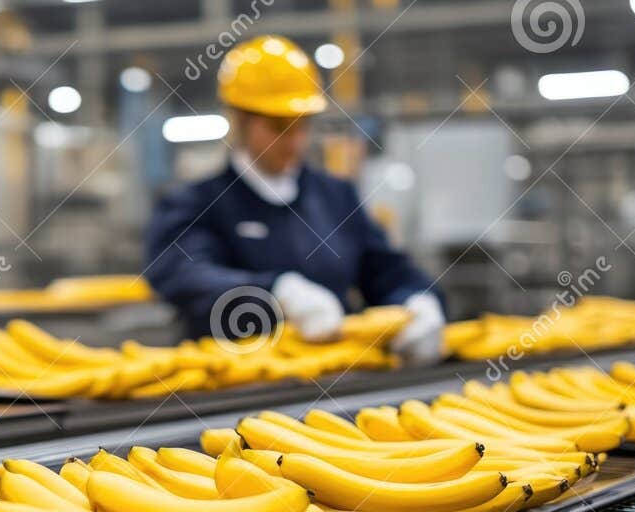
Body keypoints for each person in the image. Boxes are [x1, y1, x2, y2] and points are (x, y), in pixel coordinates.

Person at [144, 35, 446, 365]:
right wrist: (275, 291)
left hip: (335, 378)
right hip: (230, 390)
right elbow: (182, 273)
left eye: (303, 125)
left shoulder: (335, 198)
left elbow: (386, 270)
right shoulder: (196, 204)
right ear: (240, 121)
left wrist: (420, 300)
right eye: (279, 126)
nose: (296, 141)